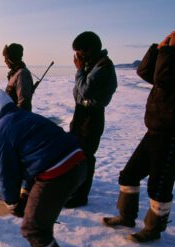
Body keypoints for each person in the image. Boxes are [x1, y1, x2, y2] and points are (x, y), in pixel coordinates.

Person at [102, 29, 175, 243]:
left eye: (172, 44)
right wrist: (158, 48)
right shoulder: (174, 64)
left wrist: (169, 51)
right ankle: (127, 216)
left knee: (159, 186)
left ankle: (153, 229)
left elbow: (163, 77)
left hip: (173, 136)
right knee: (129, 175)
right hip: (154, 132)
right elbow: (146, 72)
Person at [0, 88, 87, 247]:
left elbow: (8, 171)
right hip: (78, 164)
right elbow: (33, 157)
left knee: (33, 227)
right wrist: (25, 193)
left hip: (58, 174)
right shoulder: (23, 116)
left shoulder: (1, 130)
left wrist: (11, 201)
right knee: (38, 217)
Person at [64, 31, 117, 208]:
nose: (77, 56)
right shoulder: (93, 65)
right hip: (81, 113)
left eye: (79, 52)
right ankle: (74, 188)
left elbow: (85, 90)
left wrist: (79, 71)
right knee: (74, 152)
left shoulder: (103, 67)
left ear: (89, 50)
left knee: (85, 156)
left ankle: (81, 195)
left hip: (91, 116)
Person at [3, 43, 34, 111]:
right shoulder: (14, 74)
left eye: (6, 58)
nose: (5, 61)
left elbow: (23, 104)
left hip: (17, 118)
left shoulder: (22, 74)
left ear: (11, 58)